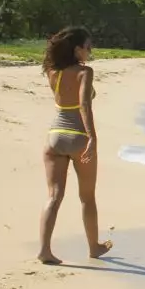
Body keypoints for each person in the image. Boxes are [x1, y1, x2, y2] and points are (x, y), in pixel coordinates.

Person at [37, 26, 113, 264]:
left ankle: (44, 250)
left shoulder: (52, 71)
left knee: (54, 196)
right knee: (87, 197)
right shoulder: (84, 72)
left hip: (55, 136)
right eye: (88, 47)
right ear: (77, 49)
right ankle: (94, 248)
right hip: (78, 136)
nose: (90, 51)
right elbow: (84, 106)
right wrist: (92, 137)